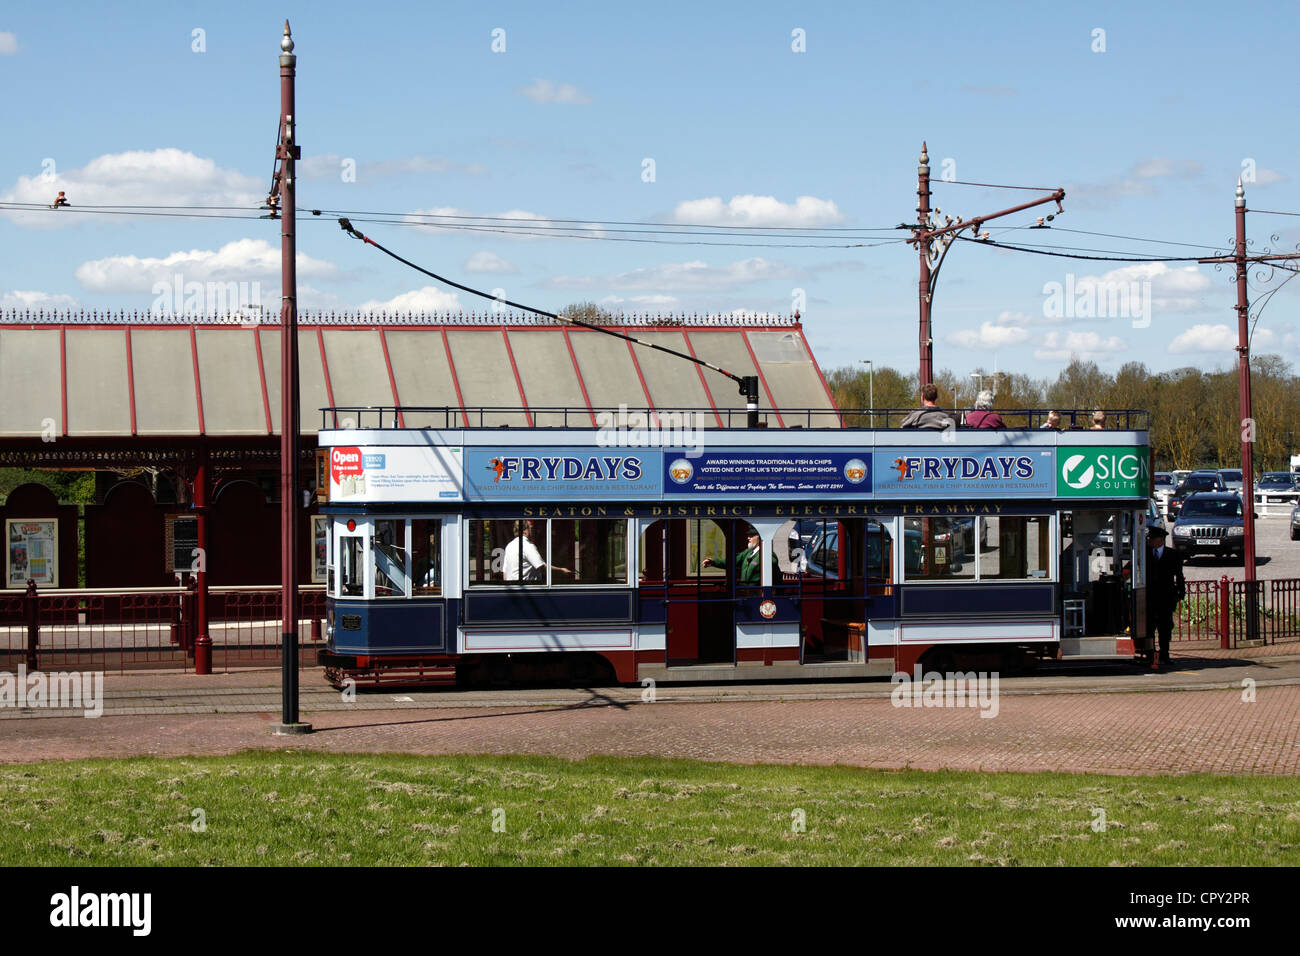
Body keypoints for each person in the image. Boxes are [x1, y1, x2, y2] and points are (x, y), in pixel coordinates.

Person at [1145, 525, 1185, 665]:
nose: (1149, 541)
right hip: (1149, 598)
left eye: (1152, 538)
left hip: (1166, 597)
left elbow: (1179, 575)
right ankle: (1150, 653)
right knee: (1149, 627)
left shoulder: (1172, 554)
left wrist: (1181, 592)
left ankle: (1164, 654)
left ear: (1161, 540)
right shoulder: (1144, 553)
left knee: (1165, 627)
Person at [501, 520, 571, 582]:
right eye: (531, 528)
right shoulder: (527, 545)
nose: (533, 531)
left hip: (512, 588)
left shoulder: (509, 545)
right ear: (524, 531)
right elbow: (541, 566)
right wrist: (561, 570)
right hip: (527, 588)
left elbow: (505, 573)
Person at [702, 529, 774, 585]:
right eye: (748, 535)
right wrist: (713, 562)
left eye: (751, 535)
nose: (748, 538)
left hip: (758, 594)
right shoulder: (747, 553)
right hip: (747, 592)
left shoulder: (767, 554)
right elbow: (732, 562)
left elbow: (773, 571)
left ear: (759, 537)